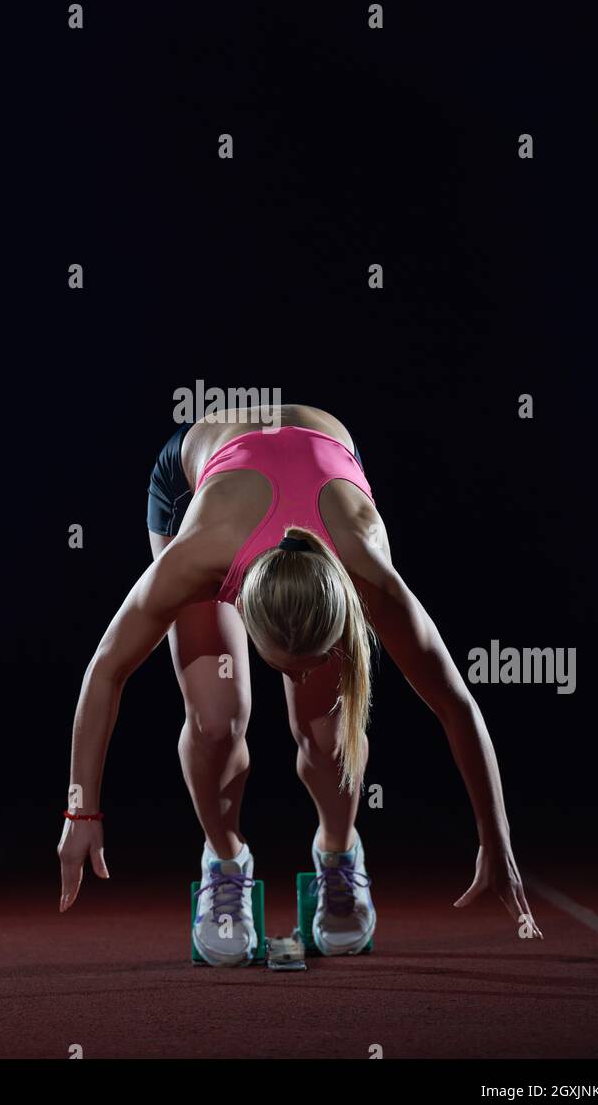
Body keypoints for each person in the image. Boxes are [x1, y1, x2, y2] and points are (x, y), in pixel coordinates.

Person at [57, 402, 542, 965]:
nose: (296, 676)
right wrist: (81, 811)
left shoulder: (367, 568)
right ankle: (224, 861)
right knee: (217, 720)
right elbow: (106, 668)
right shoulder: (198, 557)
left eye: (311, 662)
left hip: (321, 464)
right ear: (238, 605)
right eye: (286, 666)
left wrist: (496, 838)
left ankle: (339, 854)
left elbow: (456, 704)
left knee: (328, 733)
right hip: (200, 481)